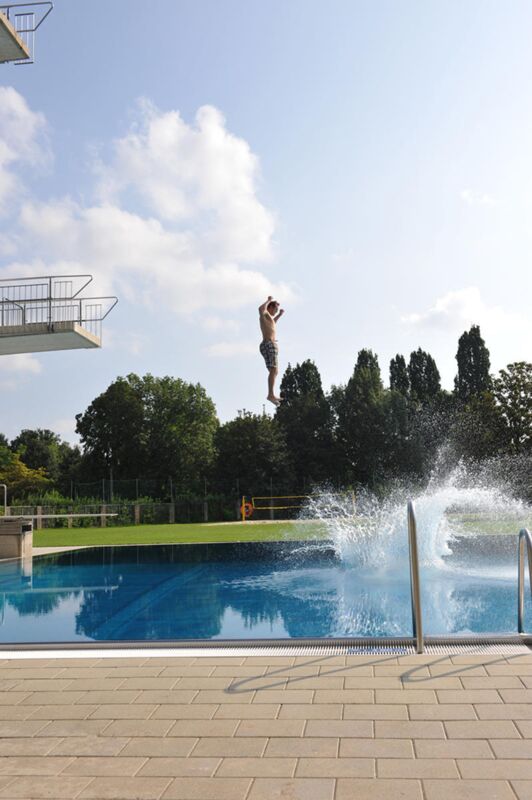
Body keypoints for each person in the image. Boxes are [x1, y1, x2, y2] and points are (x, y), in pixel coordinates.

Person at [258, 295, 284, 406]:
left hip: (265, 345)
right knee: (274, 370)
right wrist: (268, 300)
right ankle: (270, 394)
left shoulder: (268, 318)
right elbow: (260, 309)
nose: (275, 312)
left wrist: (279, 315)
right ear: (270, 307)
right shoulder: (264, 313)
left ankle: (271, 394)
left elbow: (273, 323)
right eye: (275, 310)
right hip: (269, 344)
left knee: (274, 371)